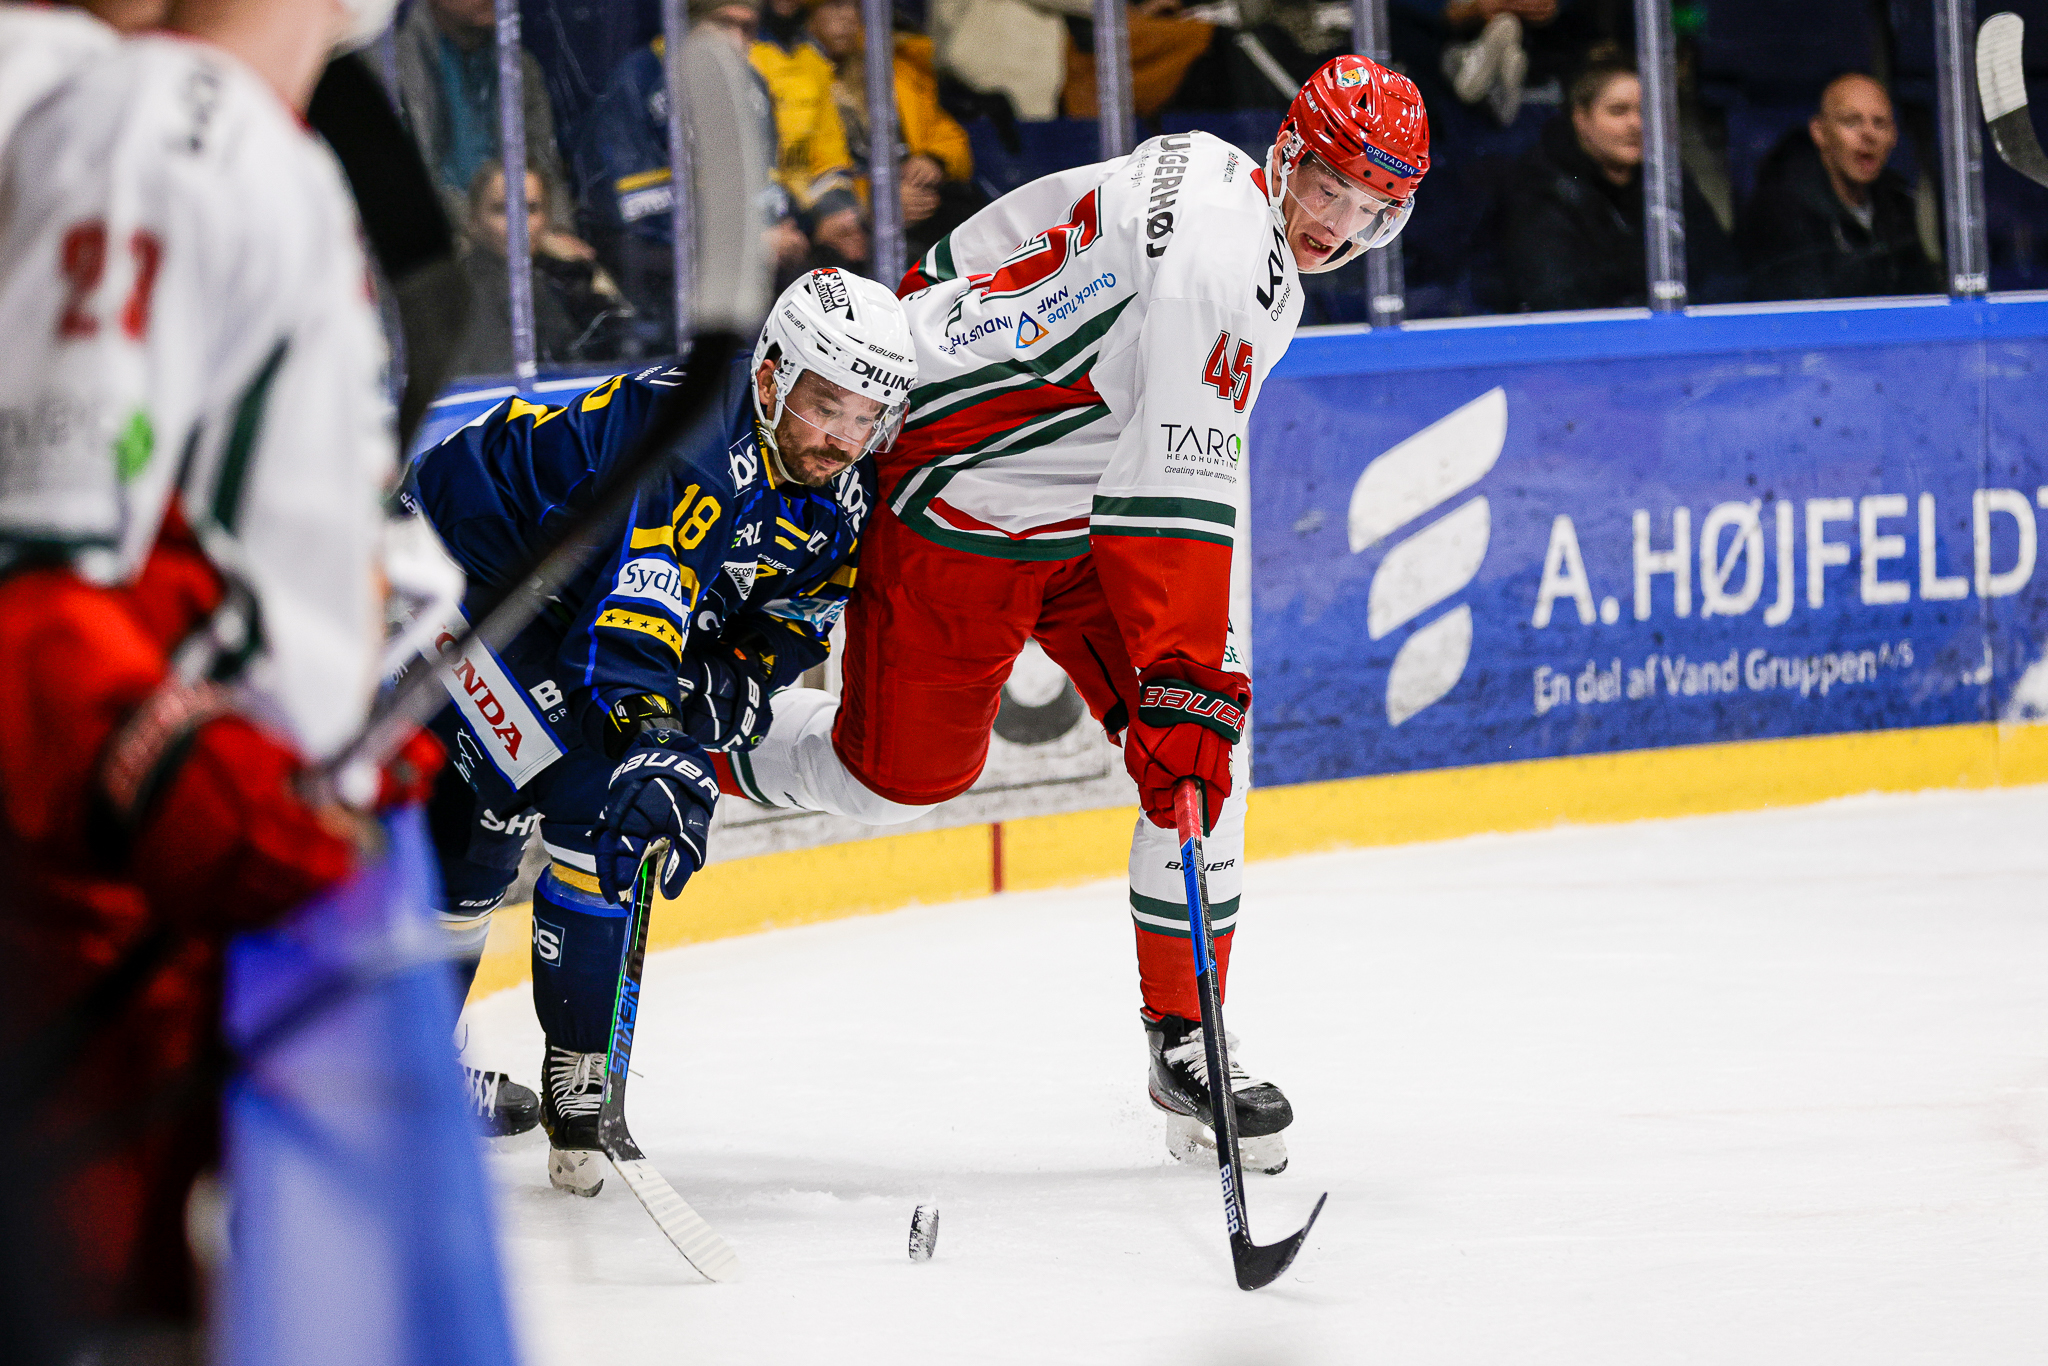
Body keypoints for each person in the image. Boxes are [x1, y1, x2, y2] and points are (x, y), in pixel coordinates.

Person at [726, 55, 1427, 1176]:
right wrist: (1184, 679)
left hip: (1080, 508)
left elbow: (971, 250)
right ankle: (703, 748)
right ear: (1286, 156)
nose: (1335, 226)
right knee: (899, 780)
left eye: (1371, 207)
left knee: (1201, 763)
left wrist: (1190, 695)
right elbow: (1176, 493)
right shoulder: (1222, 270)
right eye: (1328, 188)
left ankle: (1183, 1035)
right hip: (963, 501)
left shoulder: (1192, 169)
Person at [0, 0, 435, 1344]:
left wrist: (366, 639)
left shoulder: (231, 129)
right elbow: (46, 577)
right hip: (93, 960)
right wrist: (167, 759)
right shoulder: (151, 116)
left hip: (144, 971)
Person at [403, 269, 912, 1194]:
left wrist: (728, 687)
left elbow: (791, 623)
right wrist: (658, 733)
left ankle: (567, 1075)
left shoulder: (841, 495)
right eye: (824, 405)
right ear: (770, 377)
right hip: (454, 563)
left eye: (866, 417)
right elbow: (634, 631)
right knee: (500, 819)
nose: (842, 439)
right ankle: (408, 1080)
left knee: (591, 805)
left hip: (567, 601)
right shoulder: (697, 444)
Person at [1498, 58, 1735, 312]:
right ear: (1581, 118)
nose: (1636, 124)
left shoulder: (1669, 180)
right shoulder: (1541, 188)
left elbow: (1723, 275)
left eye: (1646, 112)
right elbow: (1557, 298)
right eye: (1618, 111)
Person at [1735, 71, 1941, 302]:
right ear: (1819, 132)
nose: (1868, 134)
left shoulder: (1898, 201)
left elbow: (1923, 294)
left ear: (1894, 136)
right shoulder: (1779, 210)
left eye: (1880, 123)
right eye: (1851, 122)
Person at [394, 0, 578, 236]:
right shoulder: (396, 69)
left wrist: (558, 230)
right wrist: (486, 226)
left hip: (519, 234)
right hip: (440, 241)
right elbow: (414, 187)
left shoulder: (520, 66)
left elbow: (544, 164)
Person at [452, 159, 635, 374]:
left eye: (531, 209)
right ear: (474, 220)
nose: (518, 222)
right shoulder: (468, 292)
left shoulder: (559, 276)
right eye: (501, 209)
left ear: (547, 218)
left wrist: (591, 272)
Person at [751, 0, 858, 210]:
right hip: (758, 206)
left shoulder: (811, 58)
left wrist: (836, 211)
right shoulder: (742, 53)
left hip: (808, 204)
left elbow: (830, 157)